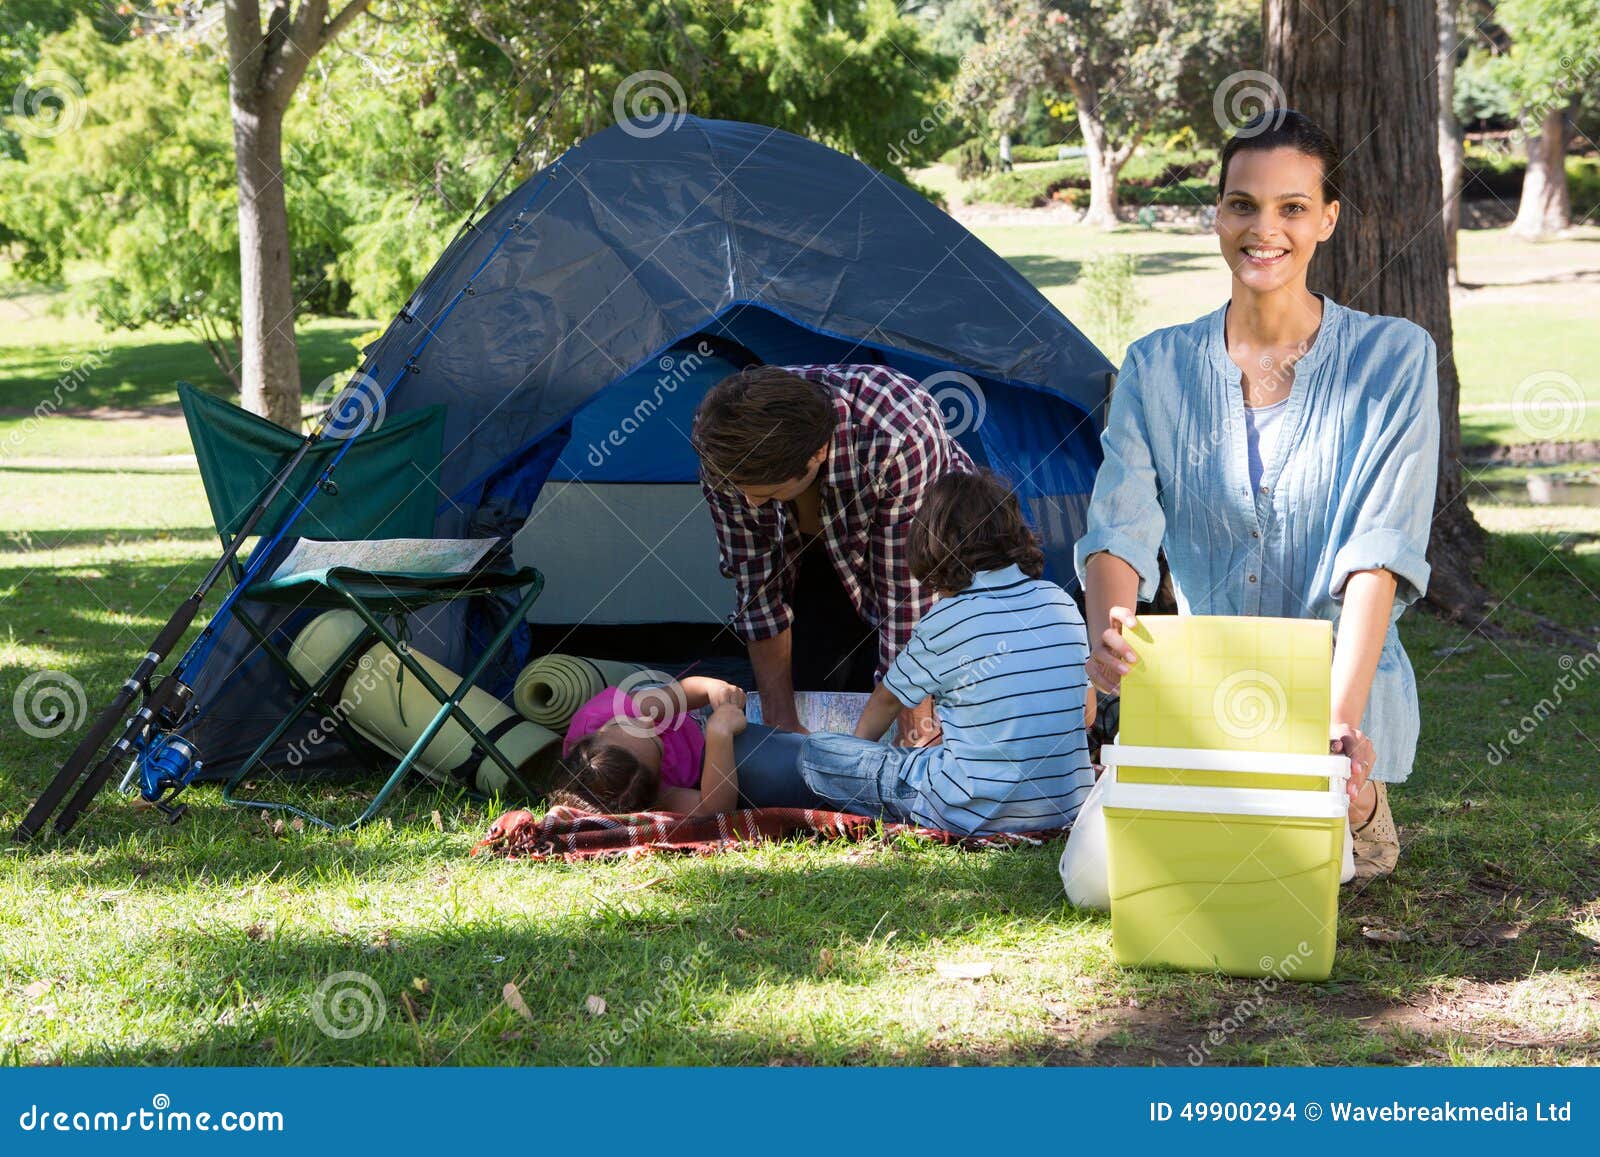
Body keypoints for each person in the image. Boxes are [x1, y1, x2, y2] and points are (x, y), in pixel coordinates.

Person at [1076, 109, 1440, 880]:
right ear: (1217, 213)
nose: (1262, 228)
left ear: (1328, 220)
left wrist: (1336, 734)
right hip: (1201, 709)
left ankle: (1363, 806)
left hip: (1331, 708)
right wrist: (1107, 633)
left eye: (1292, 207)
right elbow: (1120, 522)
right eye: (1242, 203)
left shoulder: (1394, 358)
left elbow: (1380, 552)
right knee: (1103, 881)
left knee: (1311, 876)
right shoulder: (1155, 366)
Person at [794, 471, 1097, 836]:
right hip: (1066, 807)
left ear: (930, 544)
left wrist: (856, 756)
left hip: (967, 812)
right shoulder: (1060, 601)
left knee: (817, 752)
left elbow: (885, 703)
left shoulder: (946, 619)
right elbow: (1086, 712)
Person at [692, 363, 973, 746]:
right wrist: (780, 721)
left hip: (937, 552)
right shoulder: (723, 442)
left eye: (767, 492)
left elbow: (908, 596)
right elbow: (756, 586)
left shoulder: (896, 431)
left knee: (931, 712)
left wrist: (915, 725)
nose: (749, 503)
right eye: (740, 489)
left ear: (819, 452)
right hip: (816, 553)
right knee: (817, 689)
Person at [549, 675, 838, 816]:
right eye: (657, 745)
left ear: (597, 733)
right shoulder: (645, 787)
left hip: (689, 714)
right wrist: (718, 735)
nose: (652, 725)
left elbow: (688, 690)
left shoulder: (621, 712)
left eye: (634, 724)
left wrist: (714, 689)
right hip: (704, 746)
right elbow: (714, 809)